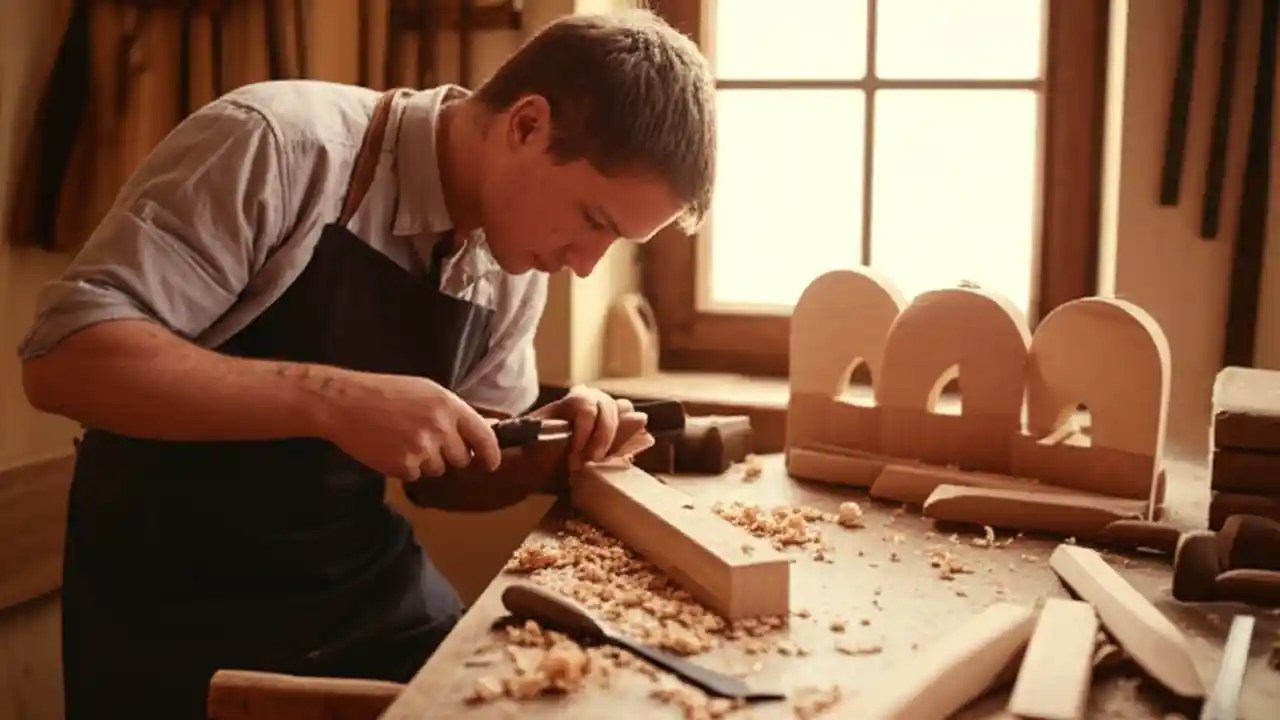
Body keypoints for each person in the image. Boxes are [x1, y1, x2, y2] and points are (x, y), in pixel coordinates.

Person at [17, 8, 715, 718]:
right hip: (172, 604)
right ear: (526, 126)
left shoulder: (512, 259)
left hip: (356, 585)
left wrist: (550, 446)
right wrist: (333, 400)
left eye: (616, 242)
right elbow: (65, 356)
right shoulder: (282, 144)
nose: (586, 265)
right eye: (594, 220)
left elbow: (452, 476)